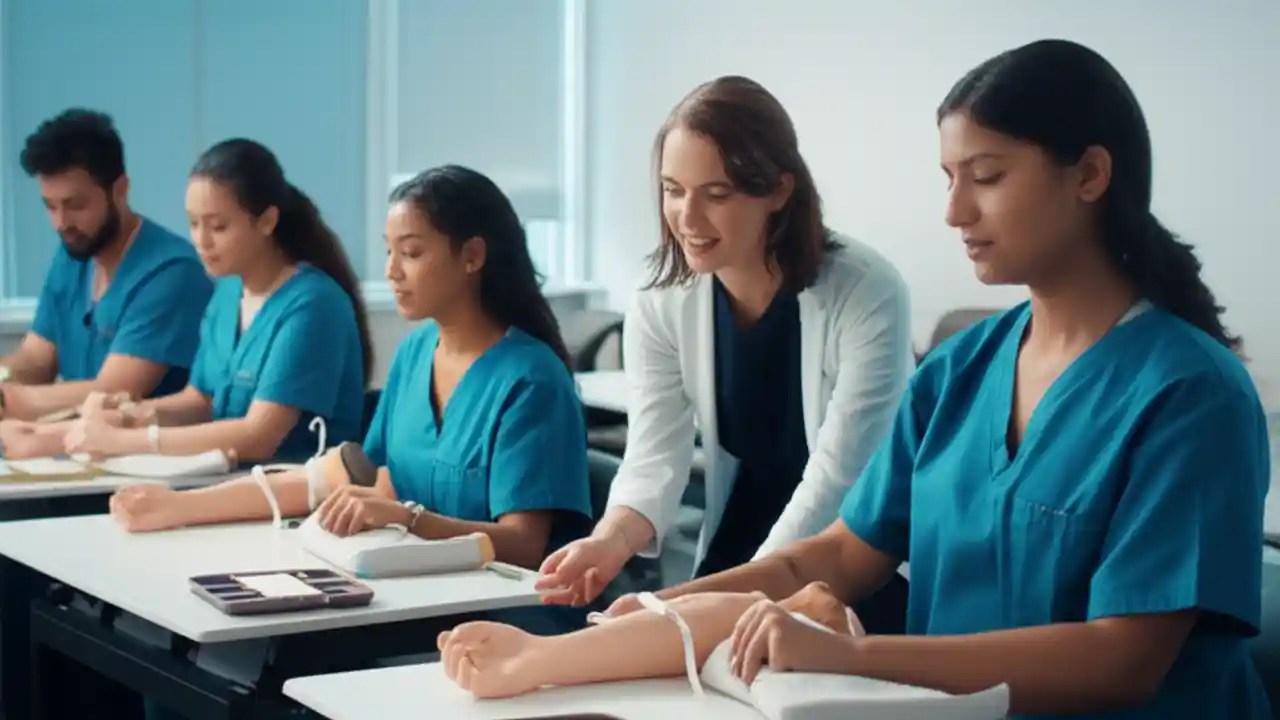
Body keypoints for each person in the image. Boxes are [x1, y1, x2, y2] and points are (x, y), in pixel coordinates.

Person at [440, 40, 1272, 719]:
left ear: (1090, 175)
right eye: (949, 179)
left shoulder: (1188, 394)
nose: (954, 213)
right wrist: (669, 608)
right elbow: (841, 553)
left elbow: (1120, 661)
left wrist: (856, 656)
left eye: (986, 177)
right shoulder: (961, 371)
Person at [537, 76, 913, 630]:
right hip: (747, 525)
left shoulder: (867, 291)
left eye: (717, 194)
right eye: (672, 190)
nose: (687, 218)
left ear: (779, 191)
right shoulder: (662, 299)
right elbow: (654, 454)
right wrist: (608, 541)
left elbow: (839, 477)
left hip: (853, 548)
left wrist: (736, 596)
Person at [108, 165, 593, 575]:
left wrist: (406, 517)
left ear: (472, 256)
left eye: (412, 253)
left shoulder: (532, 380)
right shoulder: (415, 353)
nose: (392, 272)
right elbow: (366, 479)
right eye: (389, 251)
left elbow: (524, 545)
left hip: (500, 614)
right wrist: (182, 506)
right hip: (411, 589)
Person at [2, 139, 371, 463]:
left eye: (218, 226)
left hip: (292, 501)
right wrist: (118, 417)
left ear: (266, 221)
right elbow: (199, 401)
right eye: (194, 223)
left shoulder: (312, 306)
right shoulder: (228, 293)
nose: (201, 241)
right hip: (225, 485)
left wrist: (127, 439)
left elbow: (258, 436)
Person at [0, 109, 211, 427]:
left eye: (75, 205)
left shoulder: (172, 273)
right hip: (73, 451)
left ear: (120, 190)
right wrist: (5, 375)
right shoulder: (73, 254)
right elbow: (36, 359)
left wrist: (9, 400)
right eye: (50, 206)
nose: (61, 223)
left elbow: (113, 393)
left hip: (144, 460)